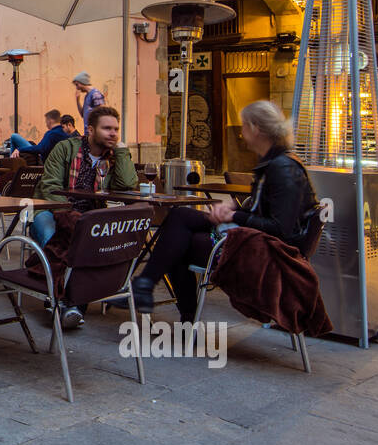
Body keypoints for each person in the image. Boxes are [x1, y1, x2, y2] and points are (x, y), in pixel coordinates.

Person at [131, 100, 317, 322]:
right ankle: (150, 289)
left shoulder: (282, 168)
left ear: (255, 128)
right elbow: (268, 211)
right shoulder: (276, 162)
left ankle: (151, 289)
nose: (241, 133)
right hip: (257, 241)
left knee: (179, 242)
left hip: (270, 256)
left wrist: (234, 215)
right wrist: (236, 207)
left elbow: (280, 229)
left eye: (244, 126)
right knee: (180, 220)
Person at [32, 104, 138, 328]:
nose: (113, 133)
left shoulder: (113, 156)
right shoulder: (65, 148)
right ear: (90, 130)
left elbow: (127, 185)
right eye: (107, 128)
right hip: (52, 210)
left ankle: (66, 304)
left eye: (116, 129)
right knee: (54, 237)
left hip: (91, 217)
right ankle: (71, 302)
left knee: (103, 238)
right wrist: (68, 215)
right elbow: (50, 187)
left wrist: (120, 149)